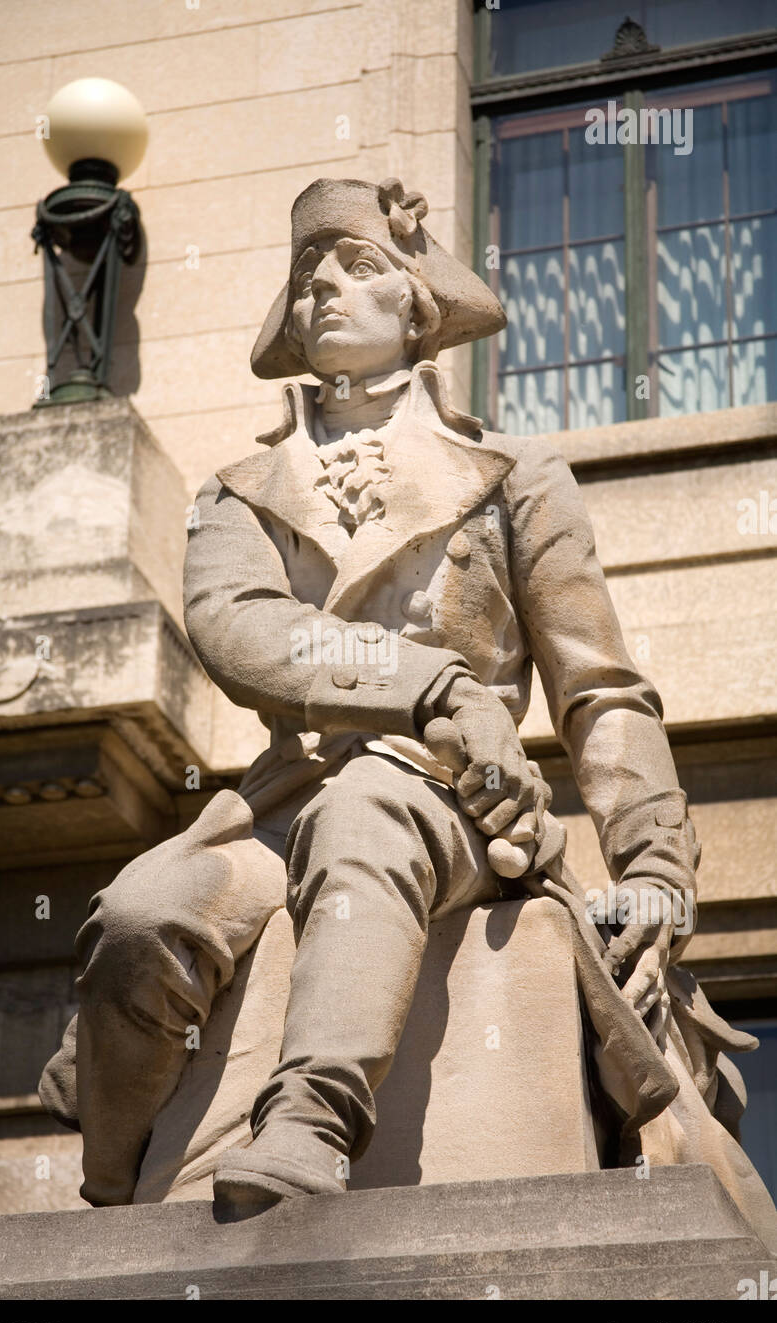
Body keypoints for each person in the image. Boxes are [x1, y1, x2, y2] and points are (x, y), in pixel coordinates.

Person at [40, 178, 777, 1242]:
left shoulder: (514, 477)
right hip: (280, 808)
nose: (326, 286)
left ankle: (310, 1119)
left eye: (359, 265)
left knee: (375, 803)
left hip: (458, 805)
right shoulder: (237, 493)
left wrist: (655, 868)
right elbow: (241, 632)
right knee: (142, 914)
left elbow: (600, 693)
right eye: (307, 275)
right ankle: (112, 1190)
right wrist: (427, 682)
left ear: (419, 309)